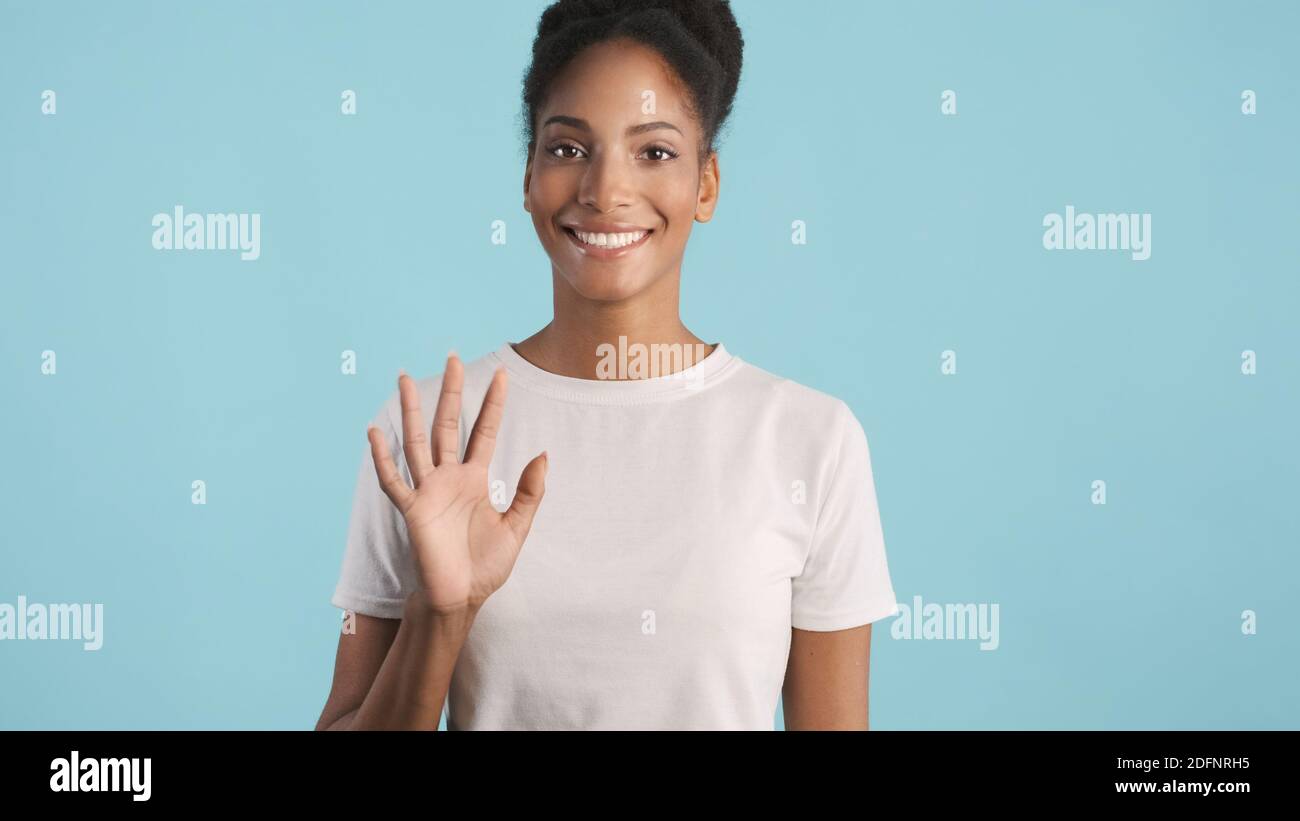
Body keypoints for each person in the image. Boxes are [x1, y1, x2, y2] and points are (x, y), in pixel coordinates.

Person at [316, 0, 898, 731]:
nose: (604, 191)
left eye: (653, 151)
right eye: (567, 149)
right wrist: (442, 612)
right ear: (527, 176)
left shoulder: (812, 441)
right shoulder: (433, 436)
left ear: (707, 185)